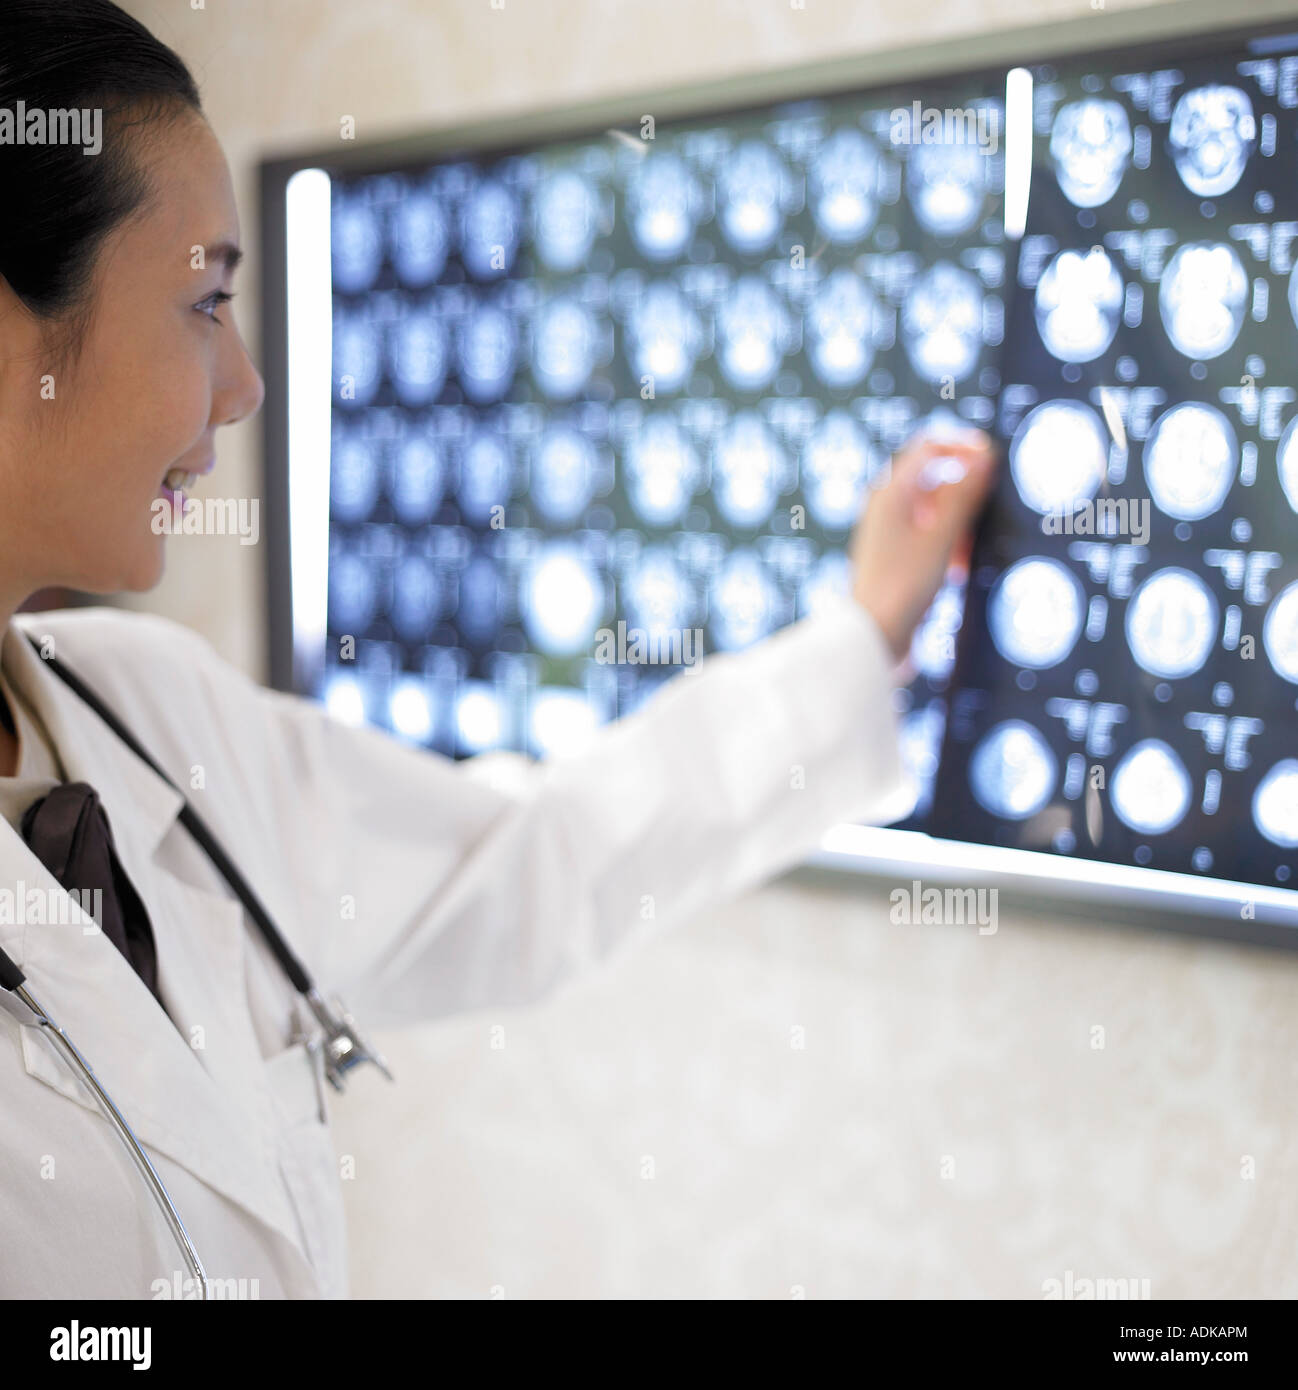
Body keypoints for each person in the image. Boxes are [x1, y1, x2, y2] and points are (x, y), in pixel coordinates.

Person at [0, 0, 998, 1298]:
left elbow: (532, 871)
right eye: (205, 299)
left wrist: (860, 642)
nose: (245, 384)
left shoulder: (151, 716)